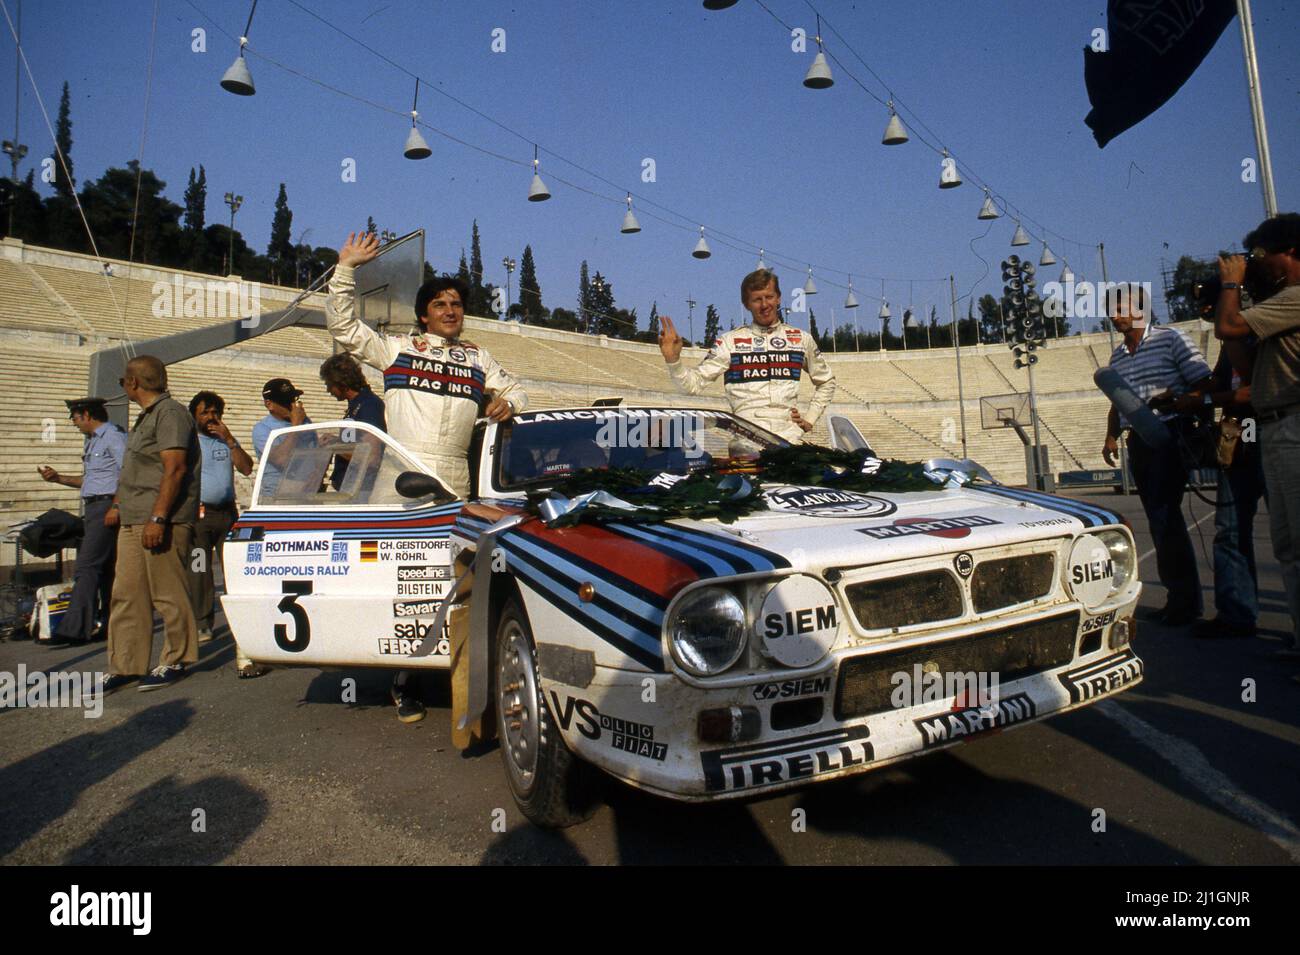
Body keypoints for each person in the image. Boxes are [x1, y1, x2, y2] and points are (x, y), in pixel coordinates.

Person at [325, 231, 526, 499]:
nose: (450, 311)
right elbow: (343, 327)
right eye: (439, 305)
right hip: (400, 468)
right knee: (393, 541)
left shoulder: (478, 358)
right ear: (423, 315)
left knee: (451, 541)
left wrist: (508, 404)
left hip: (456, 472)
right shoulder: (398, 348)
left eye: (456, 304)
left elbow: (518, 393)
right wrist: (345, 269)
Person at [1213, 212, 1300, 660]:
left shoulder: (1296, 298)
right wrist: (1227, 303)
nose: (1257, 265)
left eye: (1263, 255)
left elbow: (1229, 326)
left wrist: (1231, 286)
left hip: (1293, 425)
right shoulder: (1279, 306)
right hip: (1276, 424)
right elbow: (1244, 368)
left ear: (1292, 252)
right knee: (1287, 546)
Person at [1101, 283, 1212, 627]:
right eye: (1111, 310)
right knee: (1159, 518)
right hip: (1140, 441)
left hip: (1171, 432)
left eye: (1120, 309)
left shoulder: (1171, 338)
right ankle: (1179, 597)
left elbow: (1204, 382)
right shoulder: (1118, 355)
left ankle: (1184, 601)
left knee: (1165, 516)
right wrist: (1110, 435)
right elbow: (1119, 399)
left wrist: (1178, 397)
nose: (1113, 316)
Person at [101, 356, 202, 694]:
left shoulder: (170, 413)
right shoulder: (147, 417)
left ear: (132, 384)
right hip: (134, 517)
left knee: (168, 593)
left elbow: (174, 469)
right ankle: (126, 664)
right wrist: (119, 505)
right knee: (126, 594)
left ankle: (177, 658)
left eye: (123, 382)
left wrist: (158, 517)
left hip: (163, 518)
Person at [658, 268, 836, 443]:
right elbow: (691, 386)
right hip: (746, 441)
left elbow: (827, 381)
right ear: (746, 304)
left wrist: (810, 419)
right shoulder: (729, 341)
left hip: (789, 439)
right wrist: (673, 360)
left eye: (769, 297)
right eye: (757, 299)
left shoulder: (800, 339)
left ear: (779, 298)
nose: (765, 305)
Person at [38, 397, 127, 647]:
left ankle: (74, 628)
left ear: (87, 415)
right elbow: (91, 481)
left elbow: (127, 472)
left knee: (86, 567)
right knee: (106, 568)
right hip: (97, 505)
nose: (74, 424)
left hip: (107, 506)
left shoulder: (112, 436)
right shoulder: (95, 440)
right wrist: (57, 478)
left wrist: (117, 506)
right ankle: (108, 623)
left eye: (75, 418)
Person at [188, 391, 260, 669]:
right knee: (199, 571)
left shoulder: (224, 439)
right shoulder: (190, 441)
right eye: (205, 412)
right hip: (200, 515)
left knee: (233, 570)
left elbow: (245, 468)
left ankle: (239, 624)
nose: (210, 418)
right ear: (194, 414)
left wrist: (229, 440)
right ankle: (202, 622)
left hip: (226, 514)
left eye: (215, 412)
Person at [318, 352, 386, 490]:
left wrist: (333, 445)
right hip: (350, 487)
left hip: (361, 490)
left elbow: (371, 457)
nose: (328, 390)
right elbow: (356, 444)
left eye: (329, 384)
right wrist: (335, 441)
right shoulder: (355, 404)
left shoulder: (369, 404)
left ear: (341, 383)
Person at [252, 378, 312, 497]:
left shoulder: (306, 423)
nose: (292, 406)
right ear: (269, 404)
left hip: (306, 493)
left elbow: (314, 455)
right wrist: (295, 426)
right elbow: (282, 459)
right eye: (285, 402)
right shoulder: (262, 429)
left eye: (293, 400)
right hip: (277, 497)